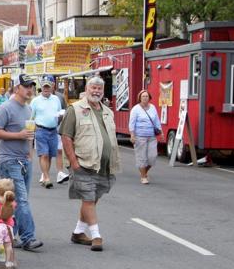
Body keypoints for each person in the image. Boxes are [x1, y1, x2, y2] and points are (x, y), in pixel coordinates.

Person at [60, 75, 121, 252]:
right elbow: (66, 137)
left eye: (99, 88)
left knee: (92, 200)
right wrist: (73, 162)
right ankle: (96, 236)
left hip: (103, 166)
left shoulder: (108, 112)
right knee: (88, 198)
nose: (96, 91)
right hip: (83, 163)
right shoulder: (75, 109)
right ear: (86, 89)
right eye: (93, 88)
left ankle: (78, 232)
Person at [0, 73, 43, 251]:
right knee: (21, 199)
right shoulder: (6, 107)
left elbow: (29, 135)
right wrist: (18, 135)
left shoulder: (28, 109)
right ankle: (28, 237)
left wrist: (30, 154)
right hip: (8, 159)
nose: (30, 90)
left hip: (24, 160)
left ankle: (10, 235)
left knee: (18, 201)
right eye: (26, 86)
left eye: (31, 86)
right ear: (17, 88)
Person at [30, 78, 63, 188]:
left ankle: (45, 177)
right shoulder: (35, 101)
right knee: (43, 154)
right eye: (44, 87)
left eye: (48, 87)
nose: (46, 89)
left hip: (53, 130)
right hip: (40, 130)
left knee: (49, 155)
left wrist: (60, 117)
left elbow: (59, 112)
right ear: (41, 88)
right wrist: (32, 129)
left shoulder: (56, 99)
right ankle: (47, 178)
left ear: (52, 88)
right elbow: (30, 116)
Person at [129, 89, 163, 184]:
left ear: (149, 98)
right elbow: (132, 123)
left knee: (152, 157)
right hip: (140, 137)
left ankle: (143, 172)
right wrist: (132, 135)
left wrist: (161, 132)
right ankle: (143, 177)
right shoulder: (135, 109)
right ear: (140, 98)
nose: (145, 98)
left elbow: (156, 121)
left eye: (146, 96)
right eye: (143, 96)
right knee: (142, 158)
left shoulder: (153, 107)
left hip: (151, 136)